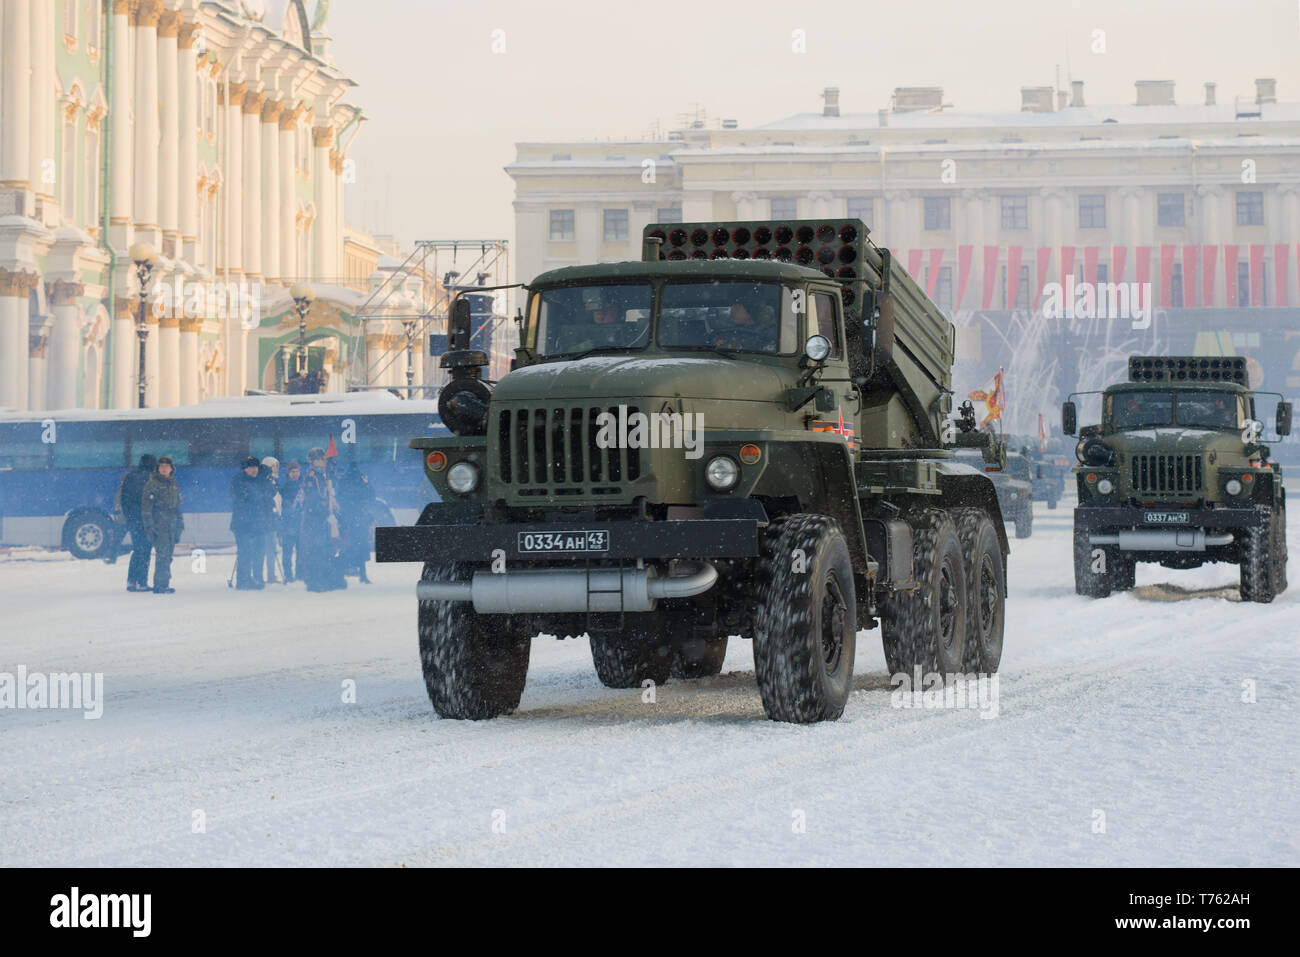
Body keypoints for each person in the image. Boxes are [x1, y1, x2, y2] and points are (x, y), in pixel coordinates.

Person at [299, 447, 346, 592]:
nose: (323, 461)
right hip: (314, 519)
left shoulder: (324, 476)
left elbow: (328, 496)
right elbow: (313, 501)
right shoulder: (311, 477)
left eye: (323, 458)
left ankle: (325, 579)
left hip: (323, 519)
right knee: (315, 550)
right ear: (313, 462)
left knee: (325, 549)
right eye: (320, 459)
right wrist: (325, 512)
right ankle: (314, 581)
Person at [141, 456, 183, 594]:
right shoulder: (152, 484)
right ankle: (160, 585)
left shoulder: (173, 483)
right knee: (162, 555)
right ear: (158, 468)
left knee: (168, 556)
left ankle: (164, 583)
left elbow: (178, 506)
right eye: (161, 466)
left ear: (171, 469)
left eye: (167, 466)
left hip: (172, 525)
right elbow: (146, 508)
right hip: (159, 525)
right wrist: (149, 526)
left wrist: (180, 524)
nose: (164, 469)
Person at [115, 453, 157, 592]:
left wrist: (130, 517)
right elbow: (151, 501)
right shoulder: (150, 478)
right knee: (145, 550)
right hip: (146, 520)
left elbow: (124, 500)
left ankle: (131, 581)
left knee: (137, 549)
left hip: (133, 520)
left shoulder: (130, 477)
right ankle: (141, 582)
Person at [230, 455, 268, 589]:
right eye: (251, 467)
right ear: (244, 469)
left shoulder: (258, 481)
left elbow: (268, 495)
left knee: (256, 551)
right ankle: (243, 580)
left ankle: (253, 578)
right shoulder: (238, 481)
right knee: (245, 552)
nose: (254, 470)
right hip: (243, 524)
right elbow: (247, 498)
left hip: (257, 523)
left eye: (256, 467)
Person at [336, 462, 376, 584]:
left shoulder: (343, 481)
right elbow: (371, 496)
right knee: (361, 547)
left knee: (348, 546)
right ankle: (362, 574)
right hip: (360, 520)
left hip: (348, 520)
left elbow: (339, 497)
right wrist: (367, 483)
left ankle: (345, 570)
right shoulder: (361, 481)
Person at [278, 460, 303, 582]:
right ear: (288, 473)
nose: (295, 474)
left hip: (301, 523)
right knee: (287, 552)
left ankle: (300, 573)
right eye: (293, 472)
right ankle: (288, 575)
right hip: (288, 524)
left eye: (297, 471)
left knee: (301, 551)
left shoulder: (304, 485)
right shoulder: (284, 487)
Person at [260, 456, 282, 584]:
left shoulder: (271, 481)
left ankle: (270, 574)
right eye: (274, 466)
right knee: (267, 548)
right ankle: (267, 575)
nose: (276, 469)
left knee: (271, 548)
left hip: (270, 519)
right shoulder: (265, 482)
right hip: (265, 520)